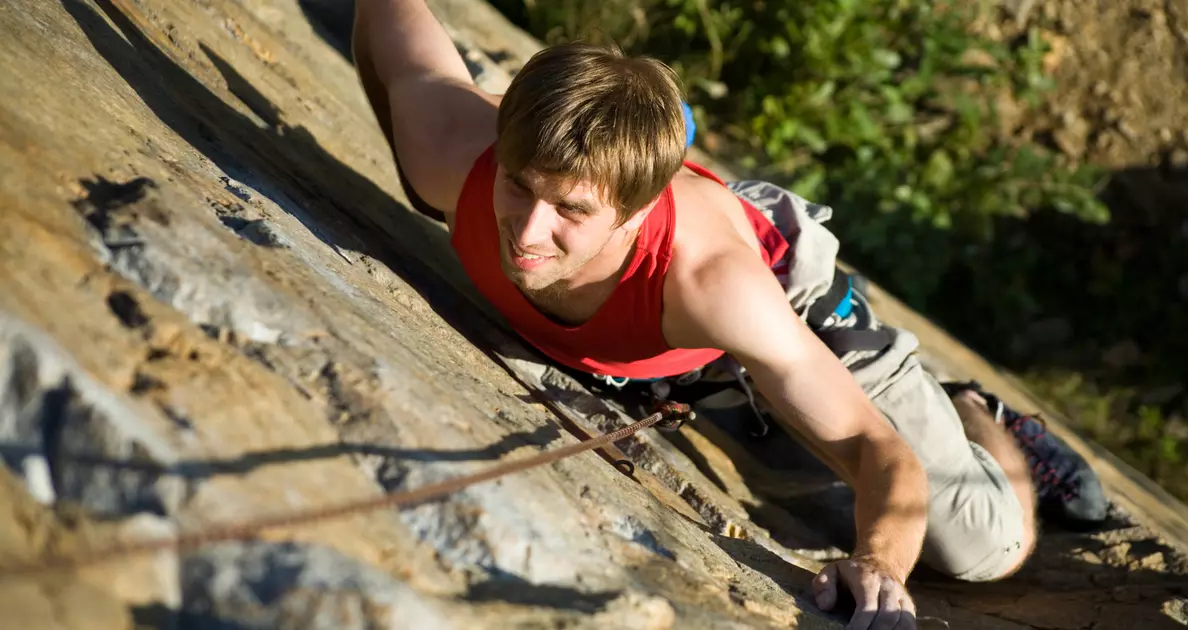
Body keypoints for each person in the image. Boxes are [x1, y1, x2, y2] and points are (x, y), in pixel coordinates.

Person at [351, 1, 1109, 627]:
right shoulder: (451, 153)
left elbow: (877, 449)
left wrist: (878, 561)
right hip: (667, 326)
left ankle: (979, 414)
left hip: (787, 298)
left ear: (633, 211)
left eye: (570, 210)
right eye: (520, 185)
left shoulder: (719, 287)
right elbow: (389, 24)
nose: (527, 229)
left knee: (981, 545)